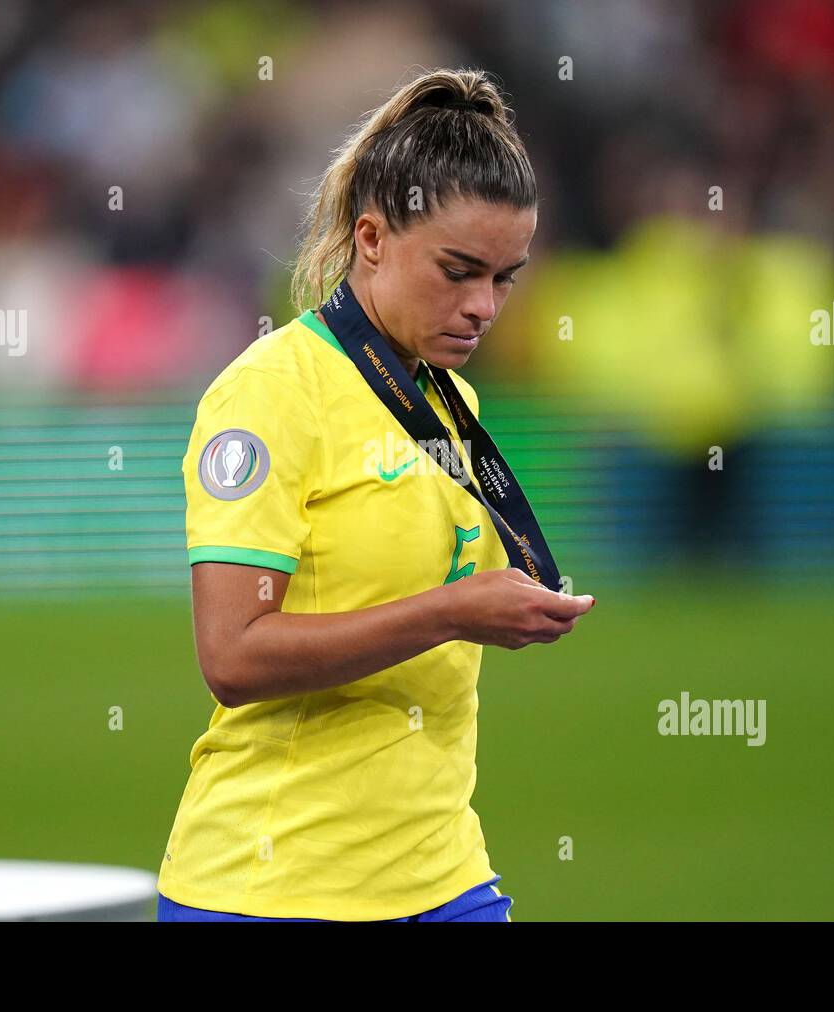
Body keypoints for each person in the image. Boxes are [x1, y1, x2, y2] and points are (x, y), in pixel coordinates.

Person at [156, 68, 595, 923]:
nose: (483, 307)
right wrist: (453, 611)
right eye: (459, 270)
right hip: (276, 886)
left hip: (445, 875)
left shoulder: (450, 401)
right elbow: (233, 656)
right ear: (370, 239)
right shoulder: (272, 393)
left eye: (505, 278)